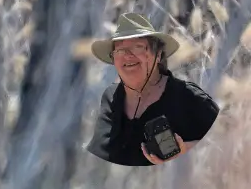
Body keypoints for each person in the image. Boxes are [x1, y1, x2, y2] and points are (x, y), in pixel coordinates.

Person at [84, 12, 221, 166]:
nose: (128, 56)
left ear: (158, 55)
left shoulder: (188, 97)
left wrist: (185, 150)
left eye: (138, 47)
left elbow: (224, 143)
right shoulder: (111, 97)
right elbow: (100, 156)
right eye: (120, 50)